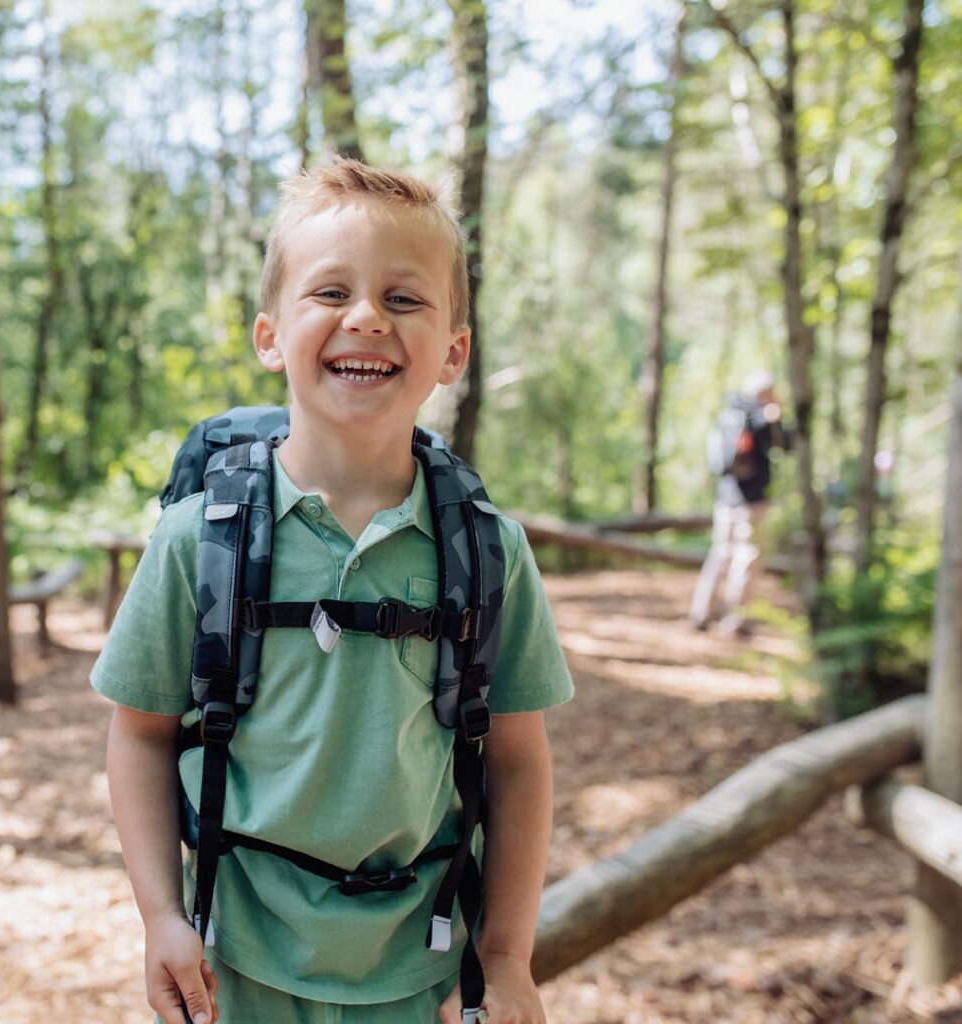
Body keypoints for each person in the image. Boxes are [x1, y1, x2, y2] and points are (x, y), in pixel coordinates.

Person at [90, 160, 573, 1024]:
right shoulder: (197, 540)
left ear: (453, 352)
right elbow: (140, 736)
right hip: (233, 969)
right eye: (330, 292)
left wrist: (505, 955)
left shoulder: (488, 550)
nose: (365, 319)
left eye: (404, 298)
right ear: (270, 336)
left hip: (425, 972)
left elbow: (518, 759)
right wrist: (161, 917)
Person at [689, 371, 788, 636]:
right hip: (752, 502)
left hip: (725, 499)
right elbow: (786, 446)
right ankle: (736, 619)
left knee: (720, 554)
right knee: (747, 556)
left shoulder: (729, 415)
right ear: (765, 393)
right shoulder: (762, 417)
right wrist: (775, 420)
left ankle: (701, 612)